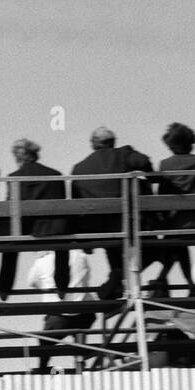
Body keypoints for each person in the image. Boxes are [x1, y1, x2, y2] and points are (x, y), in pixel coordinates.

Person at [70, 127, 154, 300]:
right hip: (127, 224)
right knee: (155, 250)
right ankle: (115, 280)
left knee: (113, 249)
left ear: (93, 144)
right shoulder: (123, 154)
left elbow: (76, 203)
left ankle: (113, 284)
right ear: (113, 142)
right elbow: (144, 162)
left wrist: (83, 240)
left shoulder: (78, 168)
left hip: (96, 229)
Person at [0, 139, 70, 299]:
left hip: (25, 231)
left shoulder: (14, 177)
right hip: (54, 231)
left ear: (17, 157)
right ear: (35, 154)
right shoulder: (55, 175)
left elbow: (10, 208)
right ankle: (62, 285)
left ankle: (4, 288)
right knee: (63, 245)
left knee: (9, 243)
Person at [148, 122, 195, 297]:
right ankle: (193, 283)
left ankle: (170, 280)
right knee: (194, 243)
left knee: (175, 242)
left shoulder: (165, 165)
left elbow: (162, 197)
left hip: (177, 226)